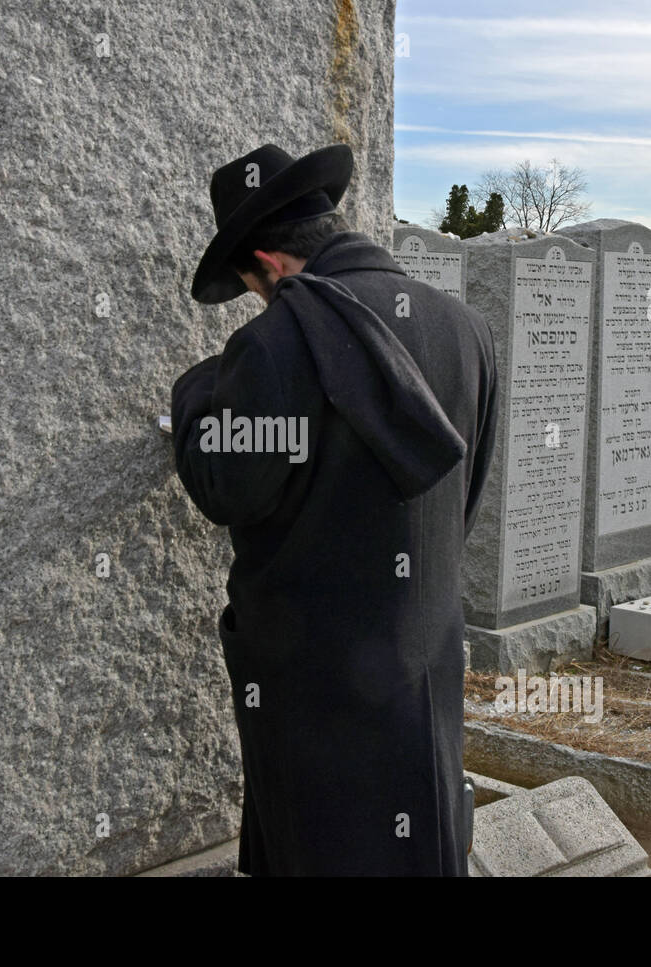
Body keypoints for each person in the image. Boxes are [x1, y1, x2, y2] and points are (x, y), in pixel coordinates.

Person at [171, 143, 498, 875]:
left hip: (318, 687)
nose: (261, 303)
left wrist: (197, 392)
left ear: (271, 262)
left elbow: (226, 484)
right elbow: (461, 492)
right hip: (425, 667)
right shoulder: (465, 329)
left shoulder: (274, 343)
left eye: (253, 288)